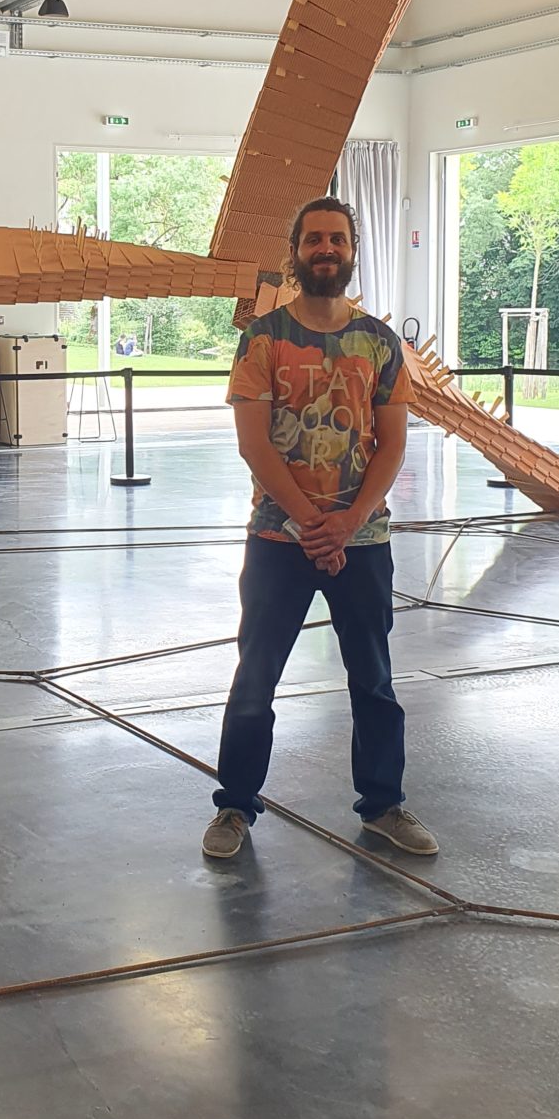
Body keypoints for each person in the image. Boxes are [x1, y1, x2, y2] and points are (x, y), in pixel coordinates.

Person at [203, 197, 438, 861]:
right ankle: (234, 808)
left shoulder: (381, 344)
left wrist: (349, 521)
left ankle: (383, 806)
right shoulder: (264, 338)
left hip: (362, 542)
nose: (326, 249)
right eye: (314, 240)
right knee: (255, 680)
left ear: (352, 250)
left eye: (337, 239)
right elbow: (256, 444)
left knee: (374, 680)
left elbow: (390, 446)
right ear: (297, 250)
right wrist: (313, 523)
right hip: (280, 541)